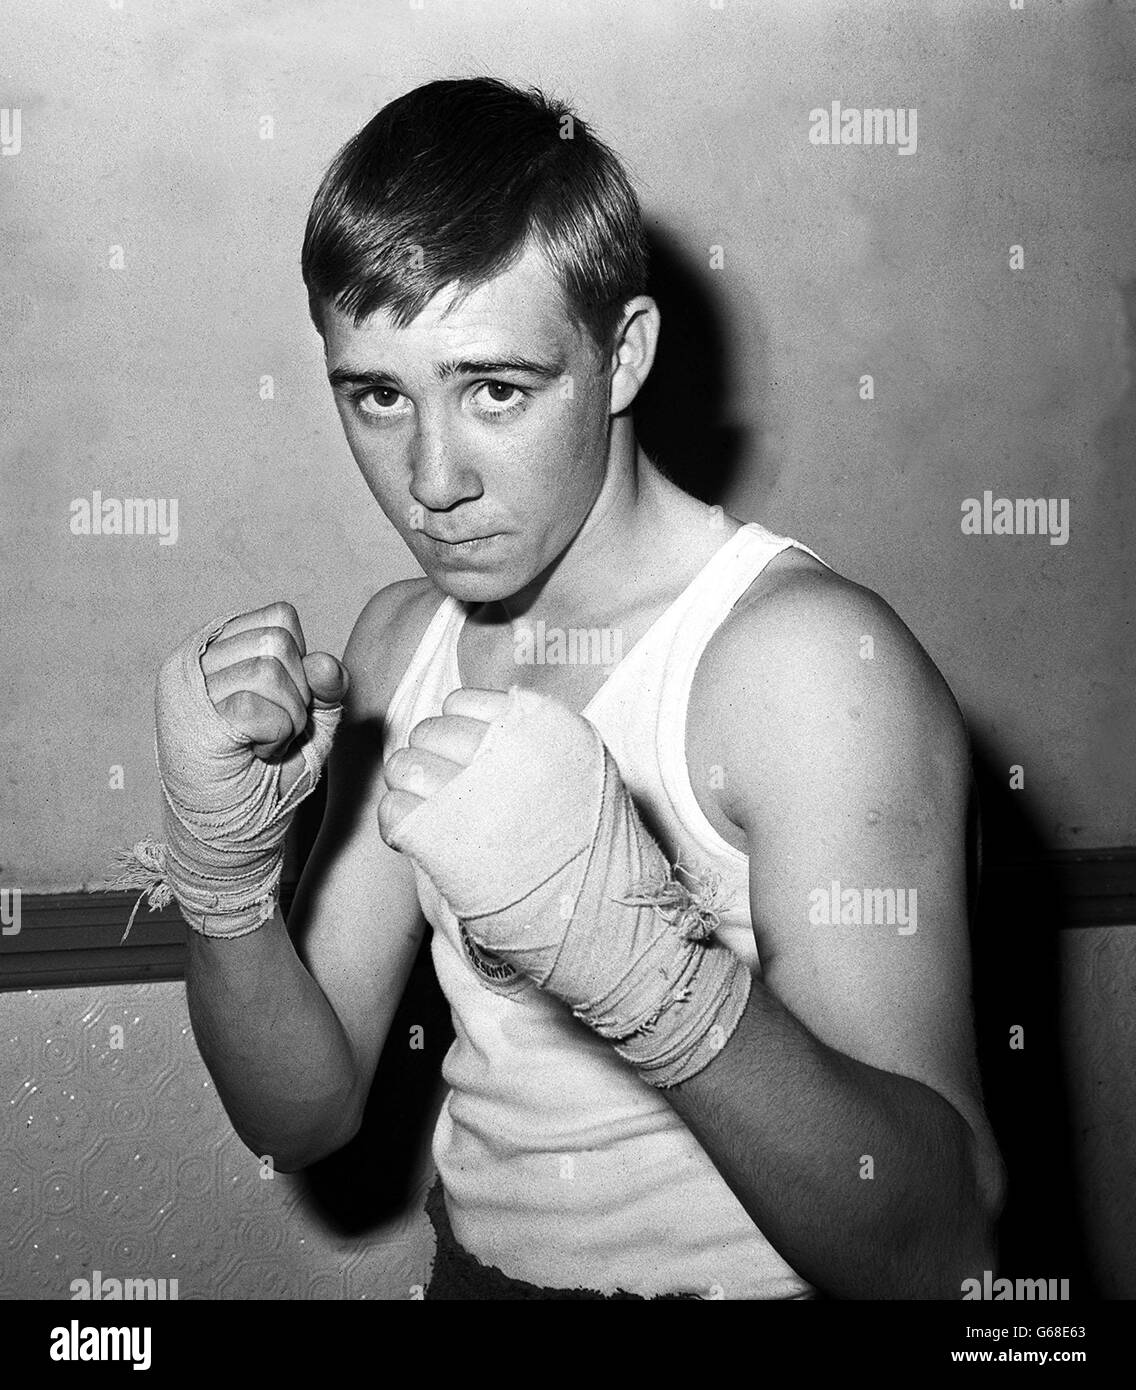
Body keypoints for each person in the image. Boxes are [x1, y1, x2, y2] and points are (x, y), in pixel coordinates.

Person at [151, 76, 1004, 1299]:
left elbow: (943, 1247)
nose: (431, 479)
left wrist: (655, 980)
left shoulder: (801, 670)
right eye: (380, 394)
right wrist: (223, 884)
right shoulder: (401, 643)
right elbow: (302, 1114)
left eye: (495, 388)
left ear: (624, 355)